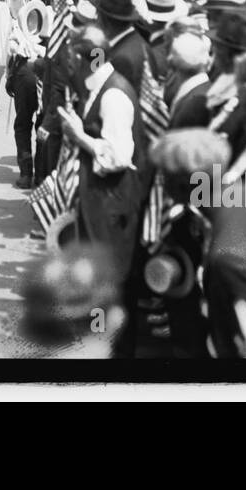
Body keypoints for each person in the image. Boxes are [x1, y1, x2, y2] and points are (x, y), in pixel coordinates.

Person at [55, 25, 146, 352]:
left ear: (85, 58)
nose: (67, 63)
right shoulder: (96, 87)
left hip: (111, 206)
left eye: (71, 56)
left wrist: (80, 137)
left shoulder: (113, 95)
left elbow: (118, 156)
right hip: (98, 202)